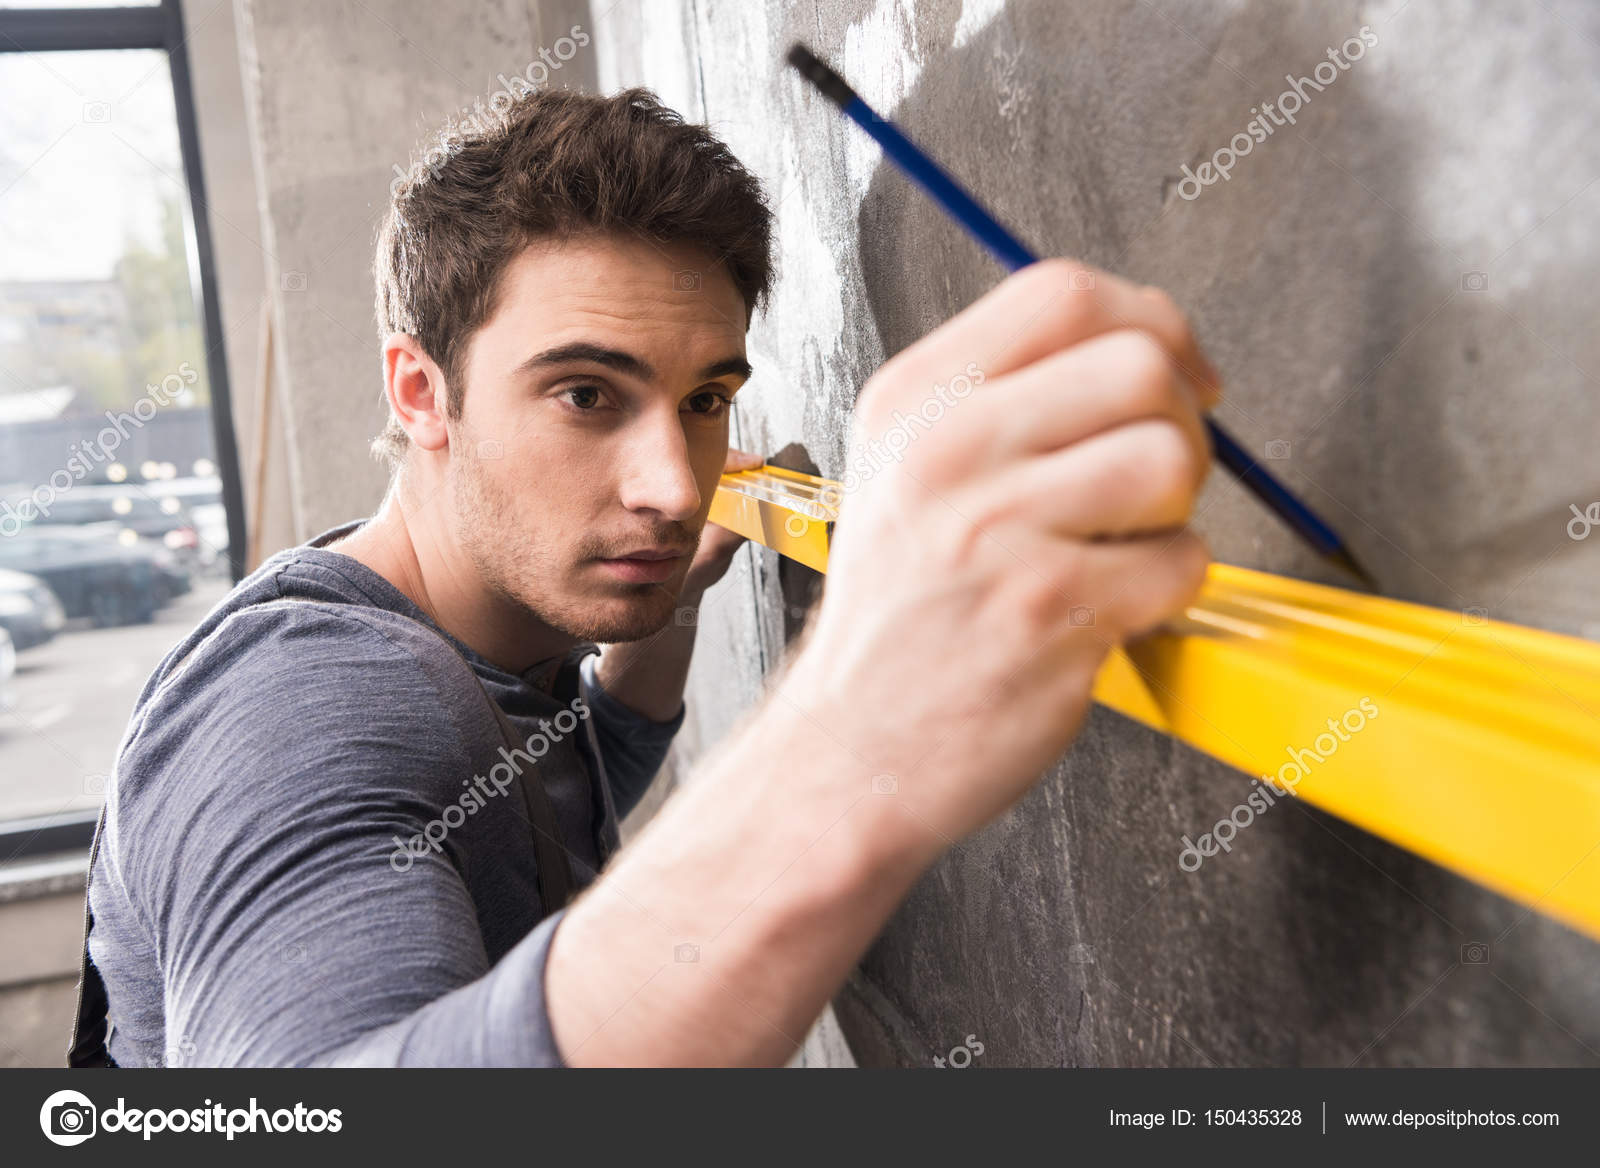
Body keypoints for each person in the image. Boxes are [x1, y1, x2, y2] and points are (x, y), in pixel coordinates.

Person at [74, 87, 1216, 1068]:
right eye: (586, 395)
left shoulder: (475, 632)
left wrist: (668, 612)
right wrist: (857, 726)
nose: (674, 486)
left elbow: (544, 790)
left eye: (705, 400)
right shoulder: (305, 702)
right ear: (420, 392)